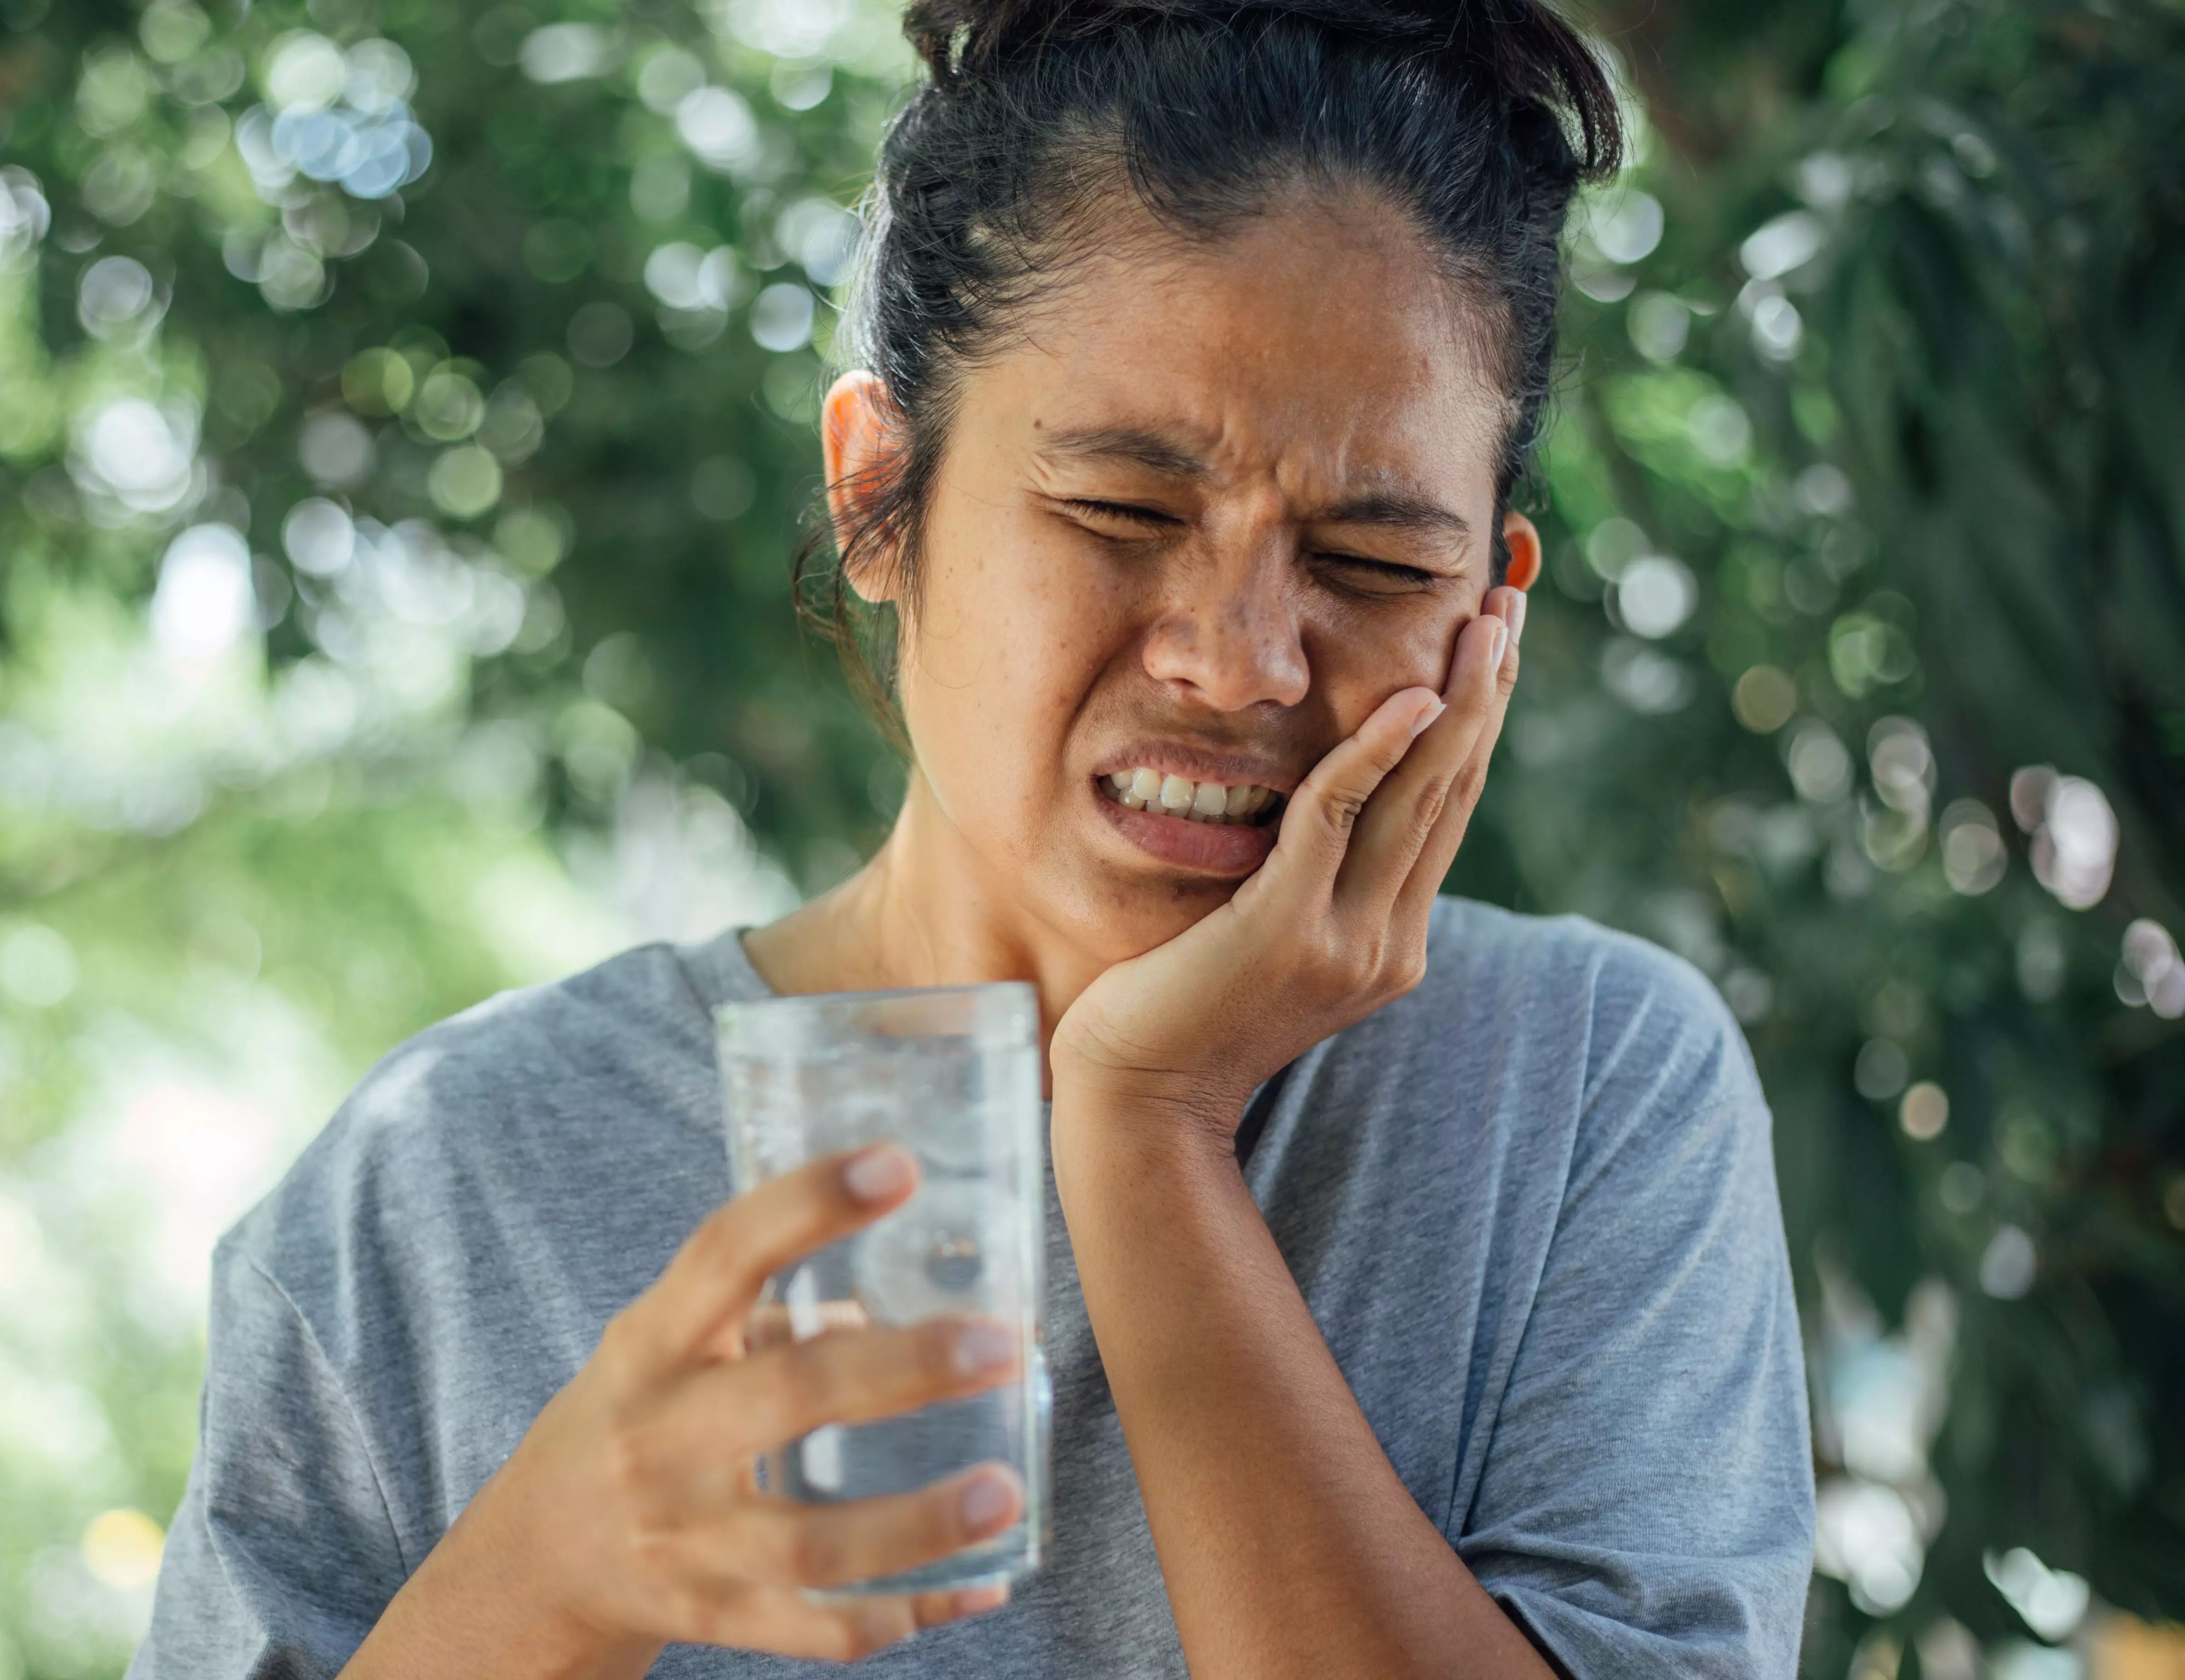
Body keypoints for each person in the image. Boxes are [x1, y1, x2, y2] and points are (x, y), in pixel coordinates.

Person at [130, 2, 1816, 1675]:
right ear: (878, 493)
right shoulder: (445, 1191)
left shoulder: (1584, 1089)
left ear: (1487, 616)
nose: (1239, 663)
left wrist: (1149, 1129)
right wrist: (549, 1576)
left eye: (1375, 565)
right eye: (1124, 512)